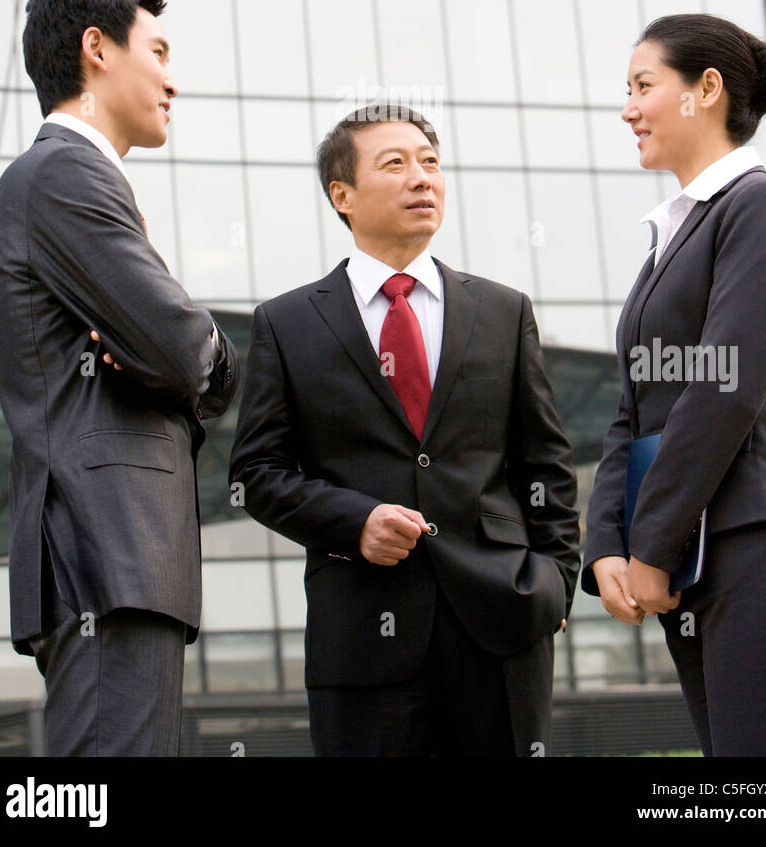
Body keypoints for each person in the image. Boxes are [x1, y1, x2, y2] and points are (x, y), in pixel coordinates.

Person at [230, 104, 579, 757]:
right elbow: (256, 474)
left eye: (431, 163)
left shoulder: (504, 311)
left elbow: (546, 465)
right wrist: (353, 520)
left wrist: (555, 581)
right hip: (362, 633)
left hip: (502, 625)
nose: (423, 178)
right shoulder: (288, 323)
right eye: (396, 164)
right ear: (343, 195)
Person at [0, 0, 239, 757]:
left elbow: (158, 348)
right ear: (97, 49)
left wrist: (161, 349)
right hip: (105, 552)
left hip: (120, 559)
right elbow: (184, 349)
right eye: (157, 50)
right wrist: (212, 359)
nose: (172, 78)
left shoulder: (82, 179)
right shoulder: (64, 173)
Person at [582, 13, 766, 757]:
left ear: (706, 90)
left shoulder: (762, 206)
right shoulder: (669, 239)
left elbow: (726, 389)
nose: (628, 108)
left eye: (643, 86)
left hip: (756, 538)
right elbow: (632, 409)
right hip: (692, 558)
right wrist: (607, 546)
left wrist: (651, 544)